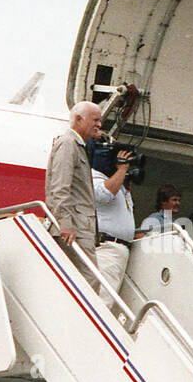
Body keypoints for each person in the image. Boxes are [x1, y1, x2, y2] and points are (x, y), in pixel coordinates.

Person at [45, 101, 103, 263]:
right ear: (79, 119)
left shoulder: (78, 146)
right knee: (89, 279)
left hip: (80, 228)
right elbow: (59, 187)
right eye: (95, 120)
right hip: (74, 228)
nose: (99, 124)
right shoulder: (68, 144)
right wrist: (65, 224)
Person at [91, 145, 137, 305]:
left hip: (118, 252)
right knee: (102, 302)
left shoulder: (119, 181)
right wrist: (122, 169)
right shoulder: (94, 175)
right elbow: (103, 195)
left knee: (108, 302)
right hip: (107, 248)